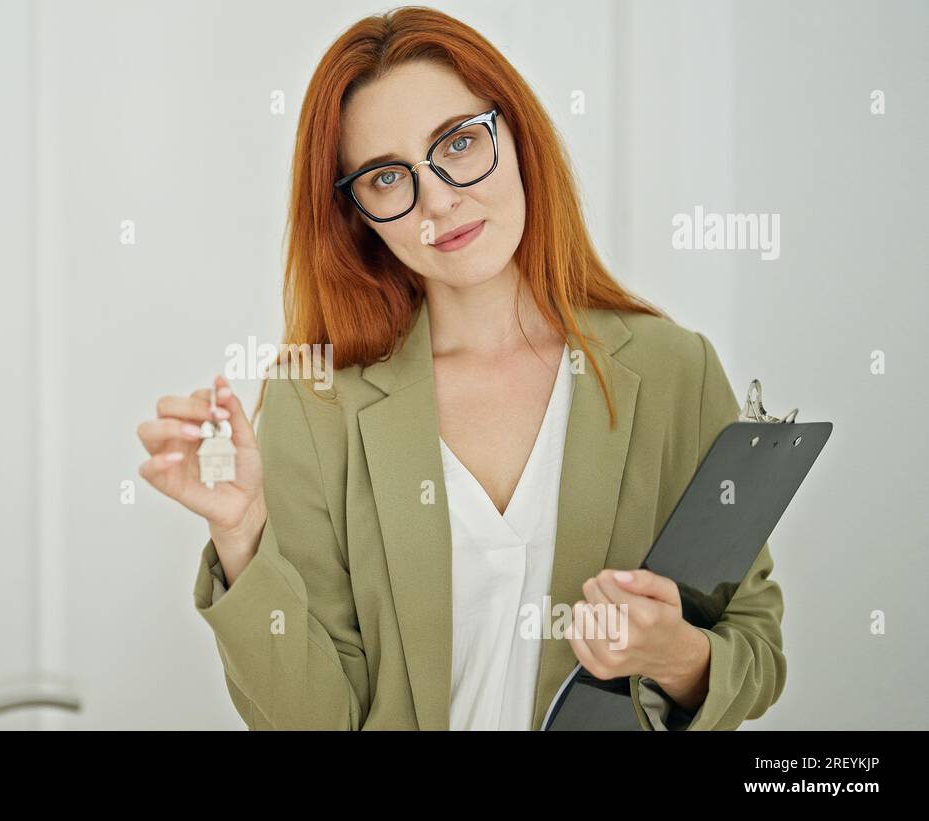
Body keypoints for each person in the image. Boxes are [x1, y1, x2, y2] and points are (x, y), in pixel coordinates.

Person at [136, 6, 785, 730]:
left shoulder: (674, 371)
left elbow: (754, 647)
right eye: (387, 178)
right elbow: (312, 720)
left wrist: (674, 653)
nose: (439, 200)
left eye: (459, 142)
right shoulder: (316, 403)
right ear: (358, 215)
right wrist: (241, 537)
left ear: (516, 135)